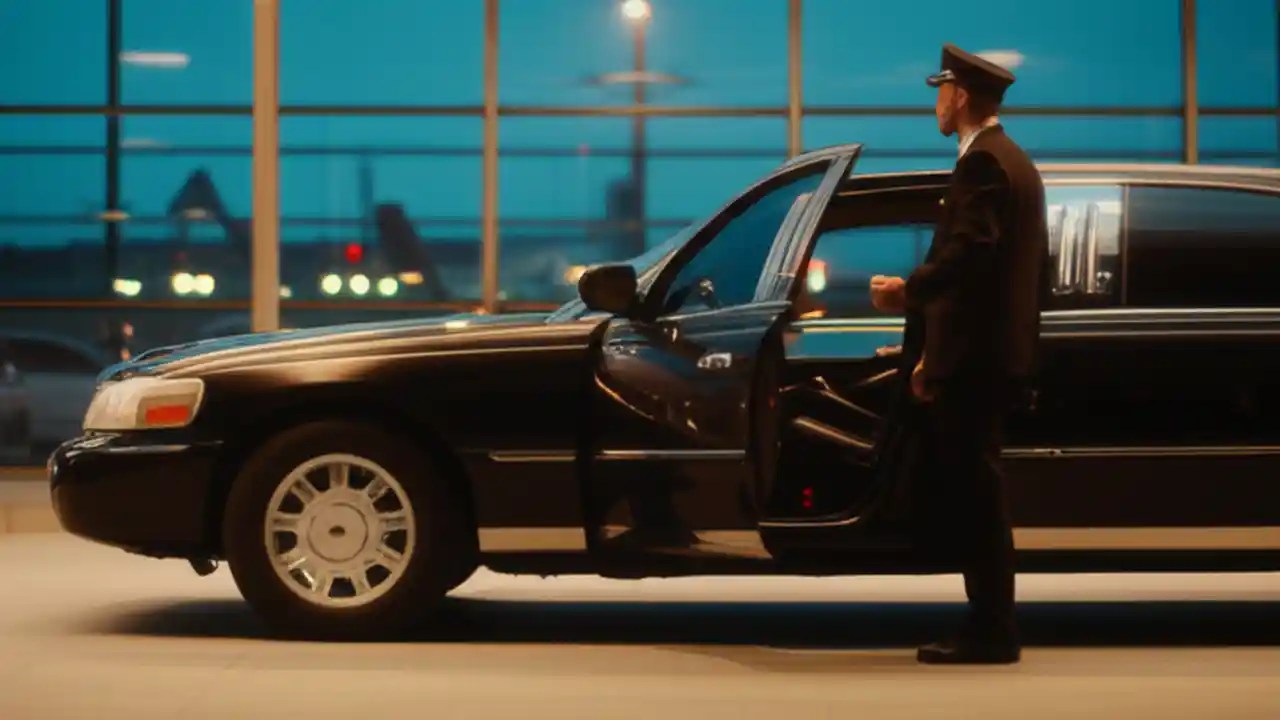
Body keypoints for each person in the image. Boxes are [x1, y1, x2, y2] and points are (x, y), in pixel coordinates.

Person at [869, 43, 1049, 664]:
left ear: (961, 95)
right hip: (988, 356)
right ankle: (989, 623)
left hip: (975, 366)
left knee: (978, 500)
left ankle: (992, 630)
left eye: (939, 91)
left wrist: (905, 295)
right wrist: (926, 351)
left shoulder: (983, 165)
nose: (936, 104)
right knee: (979, 494)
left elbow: (967, 262)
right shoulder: (1015, 162)